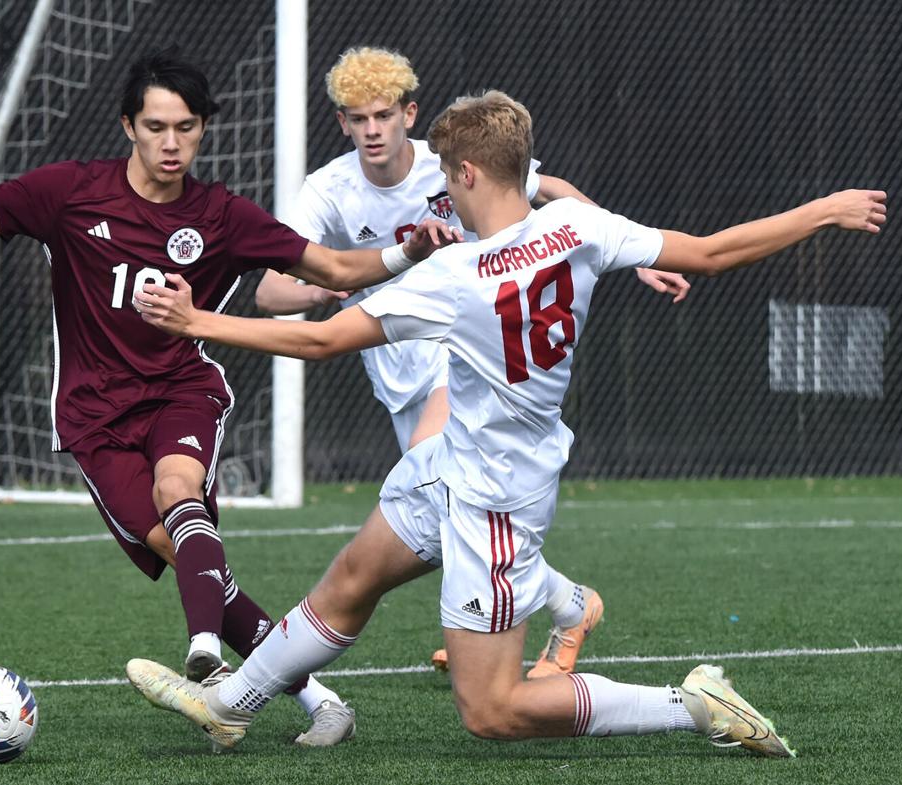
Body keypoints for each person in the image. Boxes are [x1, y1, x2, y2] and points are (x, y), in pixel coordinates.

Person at [125, 90, 886, 755]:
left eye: (443, 181)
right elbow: (712, 253)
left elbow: (322, 341)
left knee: (492, 711)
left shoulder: (455, 275)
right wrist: (823, 210)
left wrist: (197, 322)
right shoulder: (578, 224)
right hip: (454, 460)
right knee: (354, 578)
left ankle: (690, 706)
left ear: (466, 174)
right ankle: (231, 705)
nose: (441, 197)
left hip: (496, 496)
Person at [0, 49, 458, 747]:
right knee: (191, 559)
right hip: (93, 417)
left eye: (186, 128)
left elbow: (337, 268)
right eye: (157, 127)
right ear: (128, 127)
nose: (172, 143)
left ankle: (205, 656)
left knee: (178, 489)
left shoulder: (221, 215)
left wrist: (409, 252)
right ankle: (321, 701)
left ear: (203, 130)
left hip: (181, 391)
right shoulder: (71, 193)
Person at [255, 47, 690, 677]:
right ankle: (570, 605)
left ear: (408, 115)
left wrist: (640, 256)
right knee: (442, 514)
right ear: (342, 124)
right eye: (358, 118)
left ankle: (480, 628)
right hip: (395, 371)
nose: (373, 130)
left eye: (383, 115)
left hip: (458, 352)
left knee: (435, 483)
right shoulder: (328, 190)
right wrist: (330, 283)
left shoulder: (451, 162)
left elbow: (554, 192)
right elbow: (271, 294)